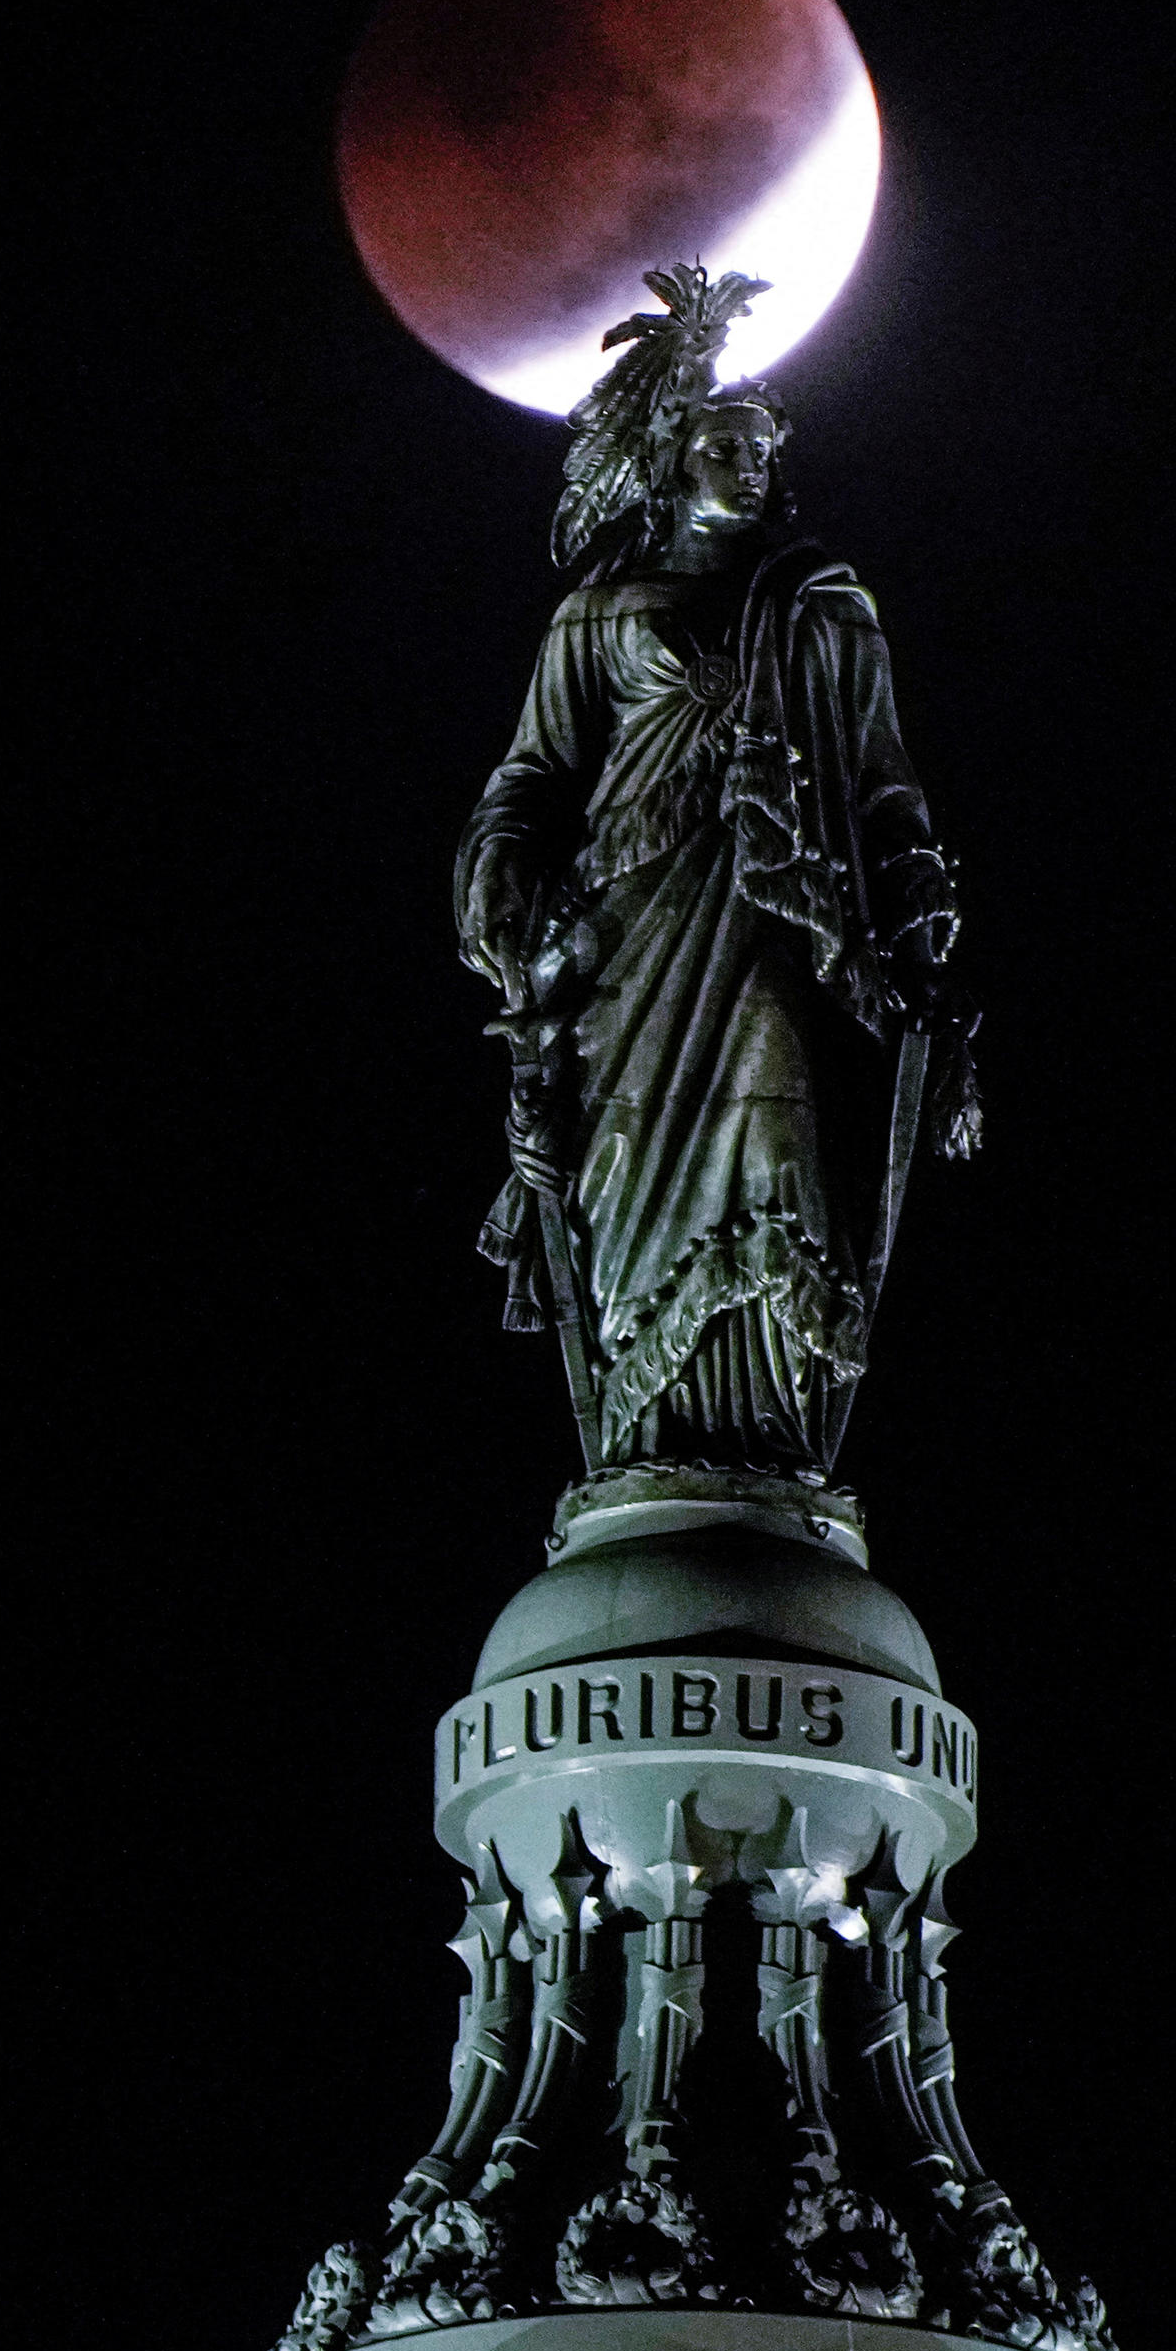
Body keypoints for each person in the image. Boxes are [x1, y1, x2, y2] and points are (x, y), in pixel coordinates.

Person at [454, 265, 976, 1476]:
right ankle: (644, 1440)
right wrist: (501, 878)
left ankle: (769, 1436)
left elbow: (882, 775)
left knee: (777, 1109)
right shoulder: (596, 613)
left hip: (778, 913)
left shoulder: (821, 606)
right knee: (620, 1171)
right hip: (626, 928)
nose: (747, 466)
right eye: (721, 446)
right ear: (669, 455)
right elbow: (533, 774)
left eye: (760, 447)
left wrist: (913, 886)